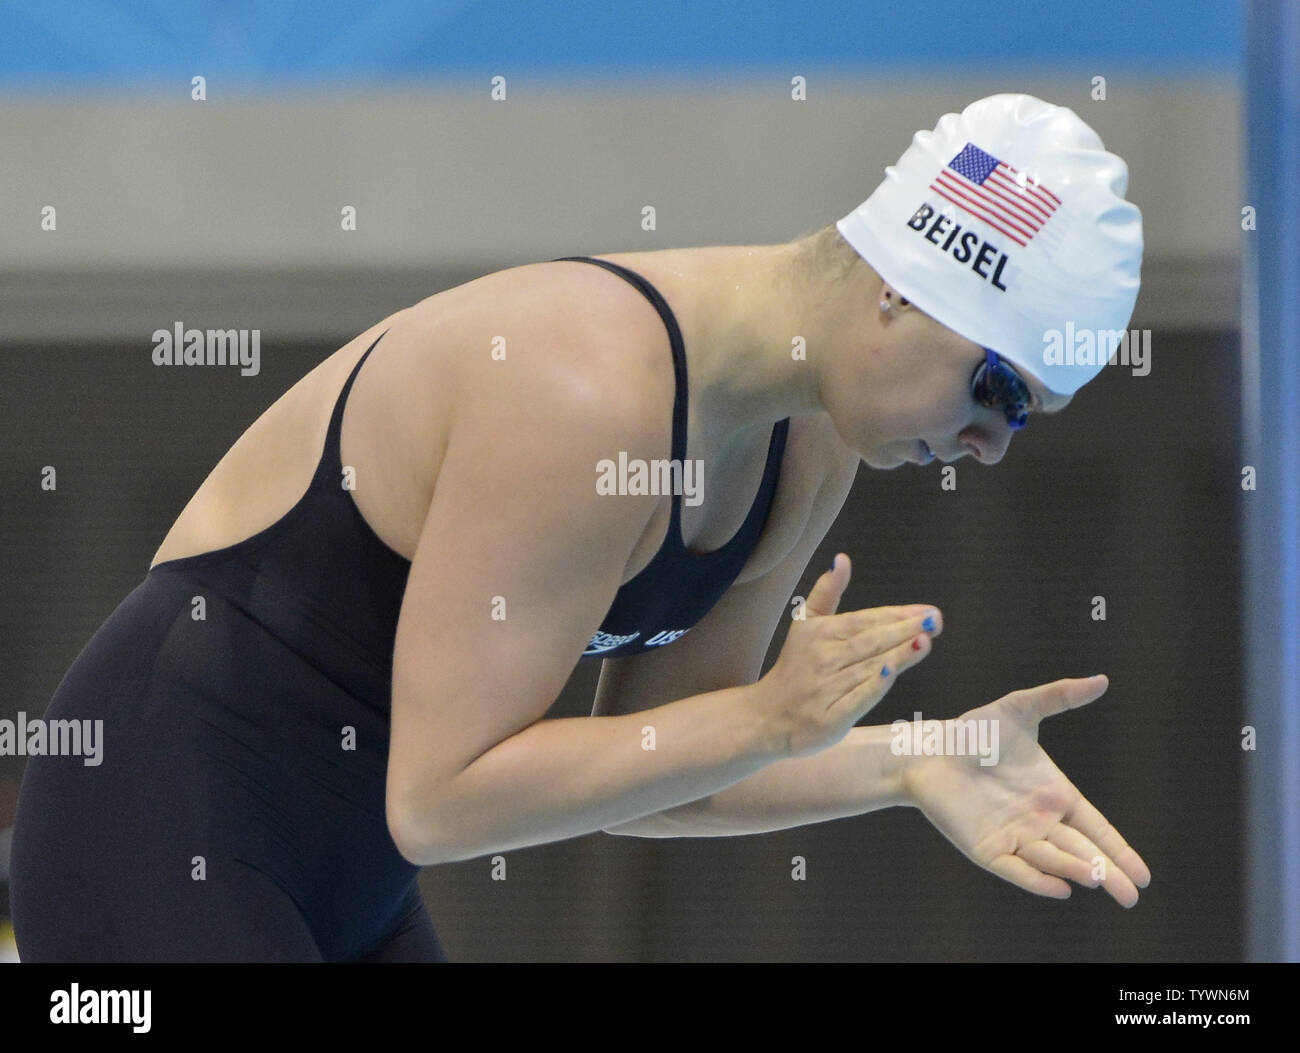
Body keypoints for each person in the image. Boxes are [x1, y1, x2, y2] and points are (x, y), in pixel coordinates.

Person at [10, 93, 1150, 962]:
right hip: (159, 818)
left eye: (1028, 420)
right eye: (998, 387)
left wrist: (911, 759)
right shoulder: (579, 386)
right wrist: (765, 716)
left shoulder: (804, 449)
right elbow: (443, 797)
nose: (992, 445)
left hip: (349, 871)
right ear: (908, 285)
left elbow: (666, 770)